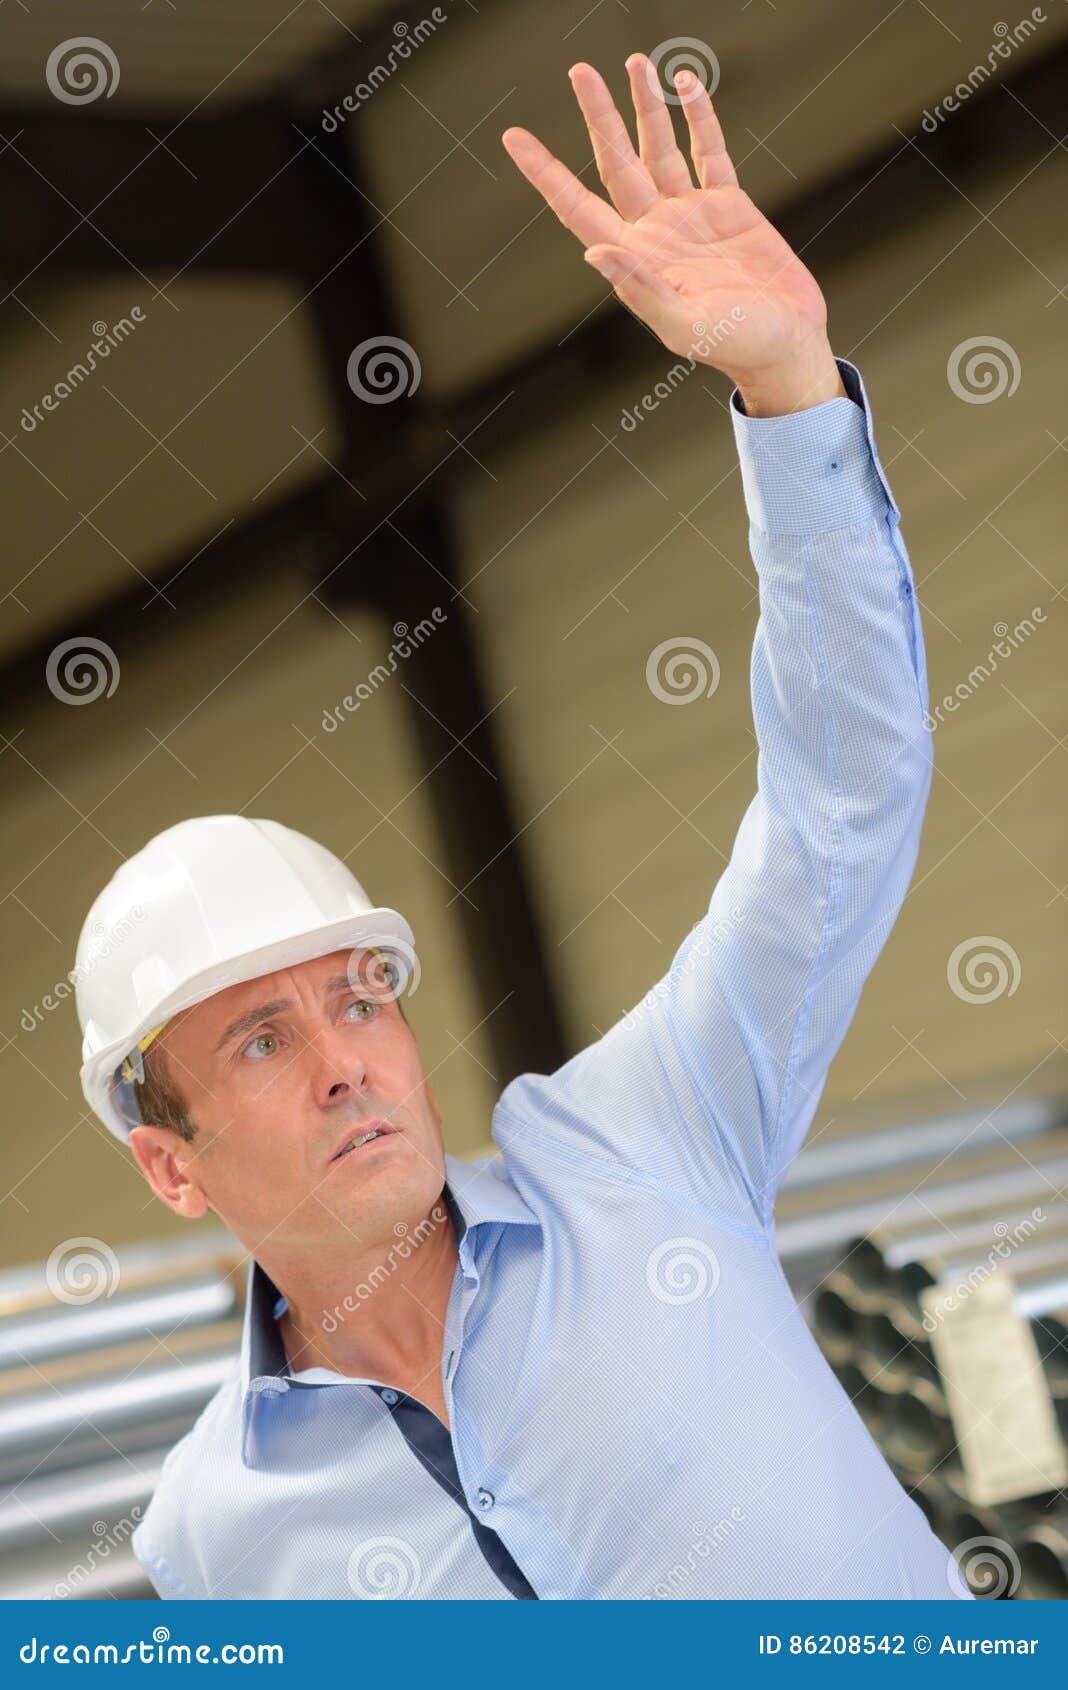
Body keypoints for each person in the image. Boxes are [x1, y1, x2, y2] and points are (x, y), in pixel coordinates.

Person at [75, 53, 971, 1600]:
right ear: (172, 1164)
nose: (352, 1050)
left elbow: (843, 800)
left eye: (361, 994)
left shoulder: (648, 1148)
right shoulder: (215, 1539)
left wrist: (785, 387)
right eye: (264, 1041)